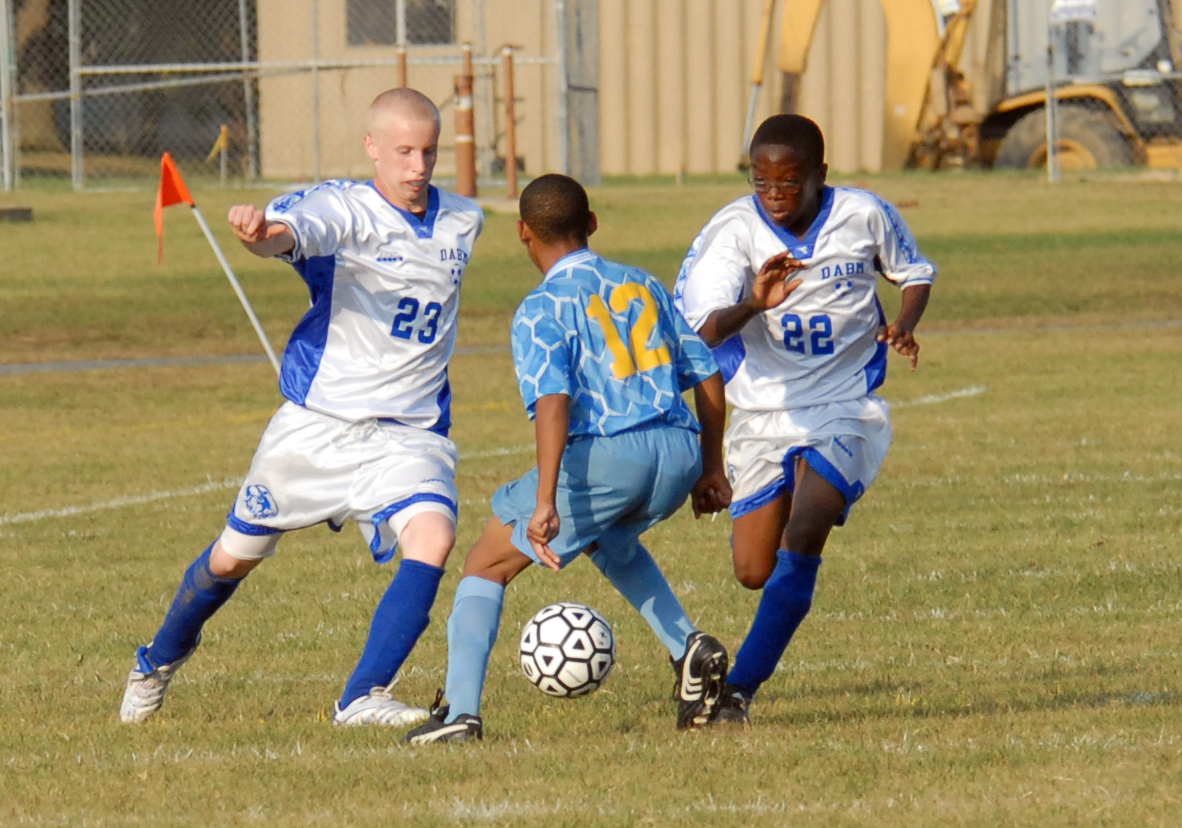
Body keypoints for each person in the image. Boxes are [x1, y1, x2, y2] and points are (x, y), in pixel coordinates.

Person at [119, 88, 484, 727]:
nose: (418, 166)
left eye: (427, 151)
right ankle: (157, 659)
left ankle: (361, 697)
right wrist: (260, 234)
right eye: (402, 151)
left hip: (409, 432)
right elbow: (291, 234)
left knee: (435, 536)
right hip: (317, 428)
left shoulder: (463, 220)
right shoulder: (344, 208)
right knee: (234, 557)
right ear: (372, 148)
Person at [405, 174, 733, 744]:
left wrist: (543, 500)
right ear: (593, 224)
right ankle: (691, 650)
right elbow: (707, 372)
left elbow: (552, 403)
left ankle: (459, 714)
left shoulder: (539, 309)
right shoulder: (641, 283)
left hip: (611, 457)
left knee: (486, 563)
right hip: (676, 451)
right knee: (611, 541)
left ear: (523, 233)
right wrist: (710, 468)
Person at [673, 114, 936, 724]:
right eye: (761, 181)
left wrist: (904, 324)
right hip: (764, 411)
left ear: (821, 173)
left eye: (789, 182)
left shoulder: (864, 214)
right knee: (752, 571)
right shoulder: (733, 230)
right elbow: (703, 332)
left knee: (808, 529)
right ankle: (796, 478)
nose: (774, 194)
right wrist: (754, 302)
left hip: (847, 403)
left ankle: (736, 692)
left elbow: (913, 272)